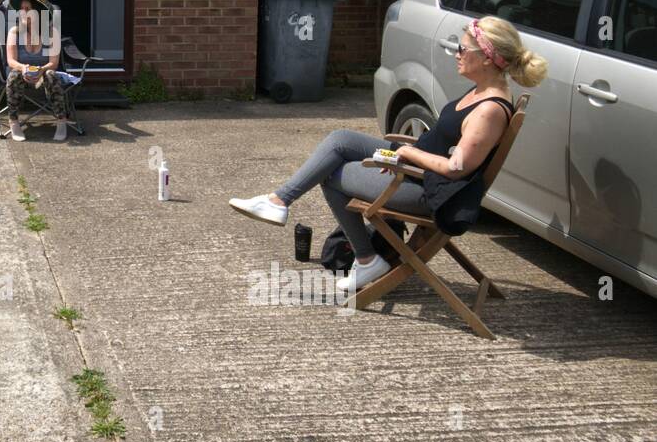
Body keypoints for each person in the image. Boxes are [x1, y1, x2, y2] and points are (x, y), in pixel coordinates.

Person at [229, 16, 548, 292]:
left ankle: (366, 258)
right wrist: (403, 155)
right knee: (339, 141)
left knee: (332, 174)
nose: (457, 53)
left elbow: (456, 167)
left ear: (489, 59)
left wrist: (407, 156)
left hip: (426, 189)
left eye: (464, 49)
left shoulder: (490, 110)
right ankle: (279, 201)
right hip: (414, 166)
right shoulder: (481, 90)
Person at [4, 0, 71, 142]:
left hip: (44, 77)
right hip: (21, 76)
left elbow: (53, 63)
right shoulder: (14, 32)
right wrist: (24, 68)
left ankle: (61, 121)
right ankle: (14, 122)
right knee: (14, 73)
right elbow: (11, 61)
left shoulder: (51, 33)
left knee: (51, 74)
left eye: (27, 9)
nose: (22, 12)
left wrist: (41, 70)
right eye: (21, 8)